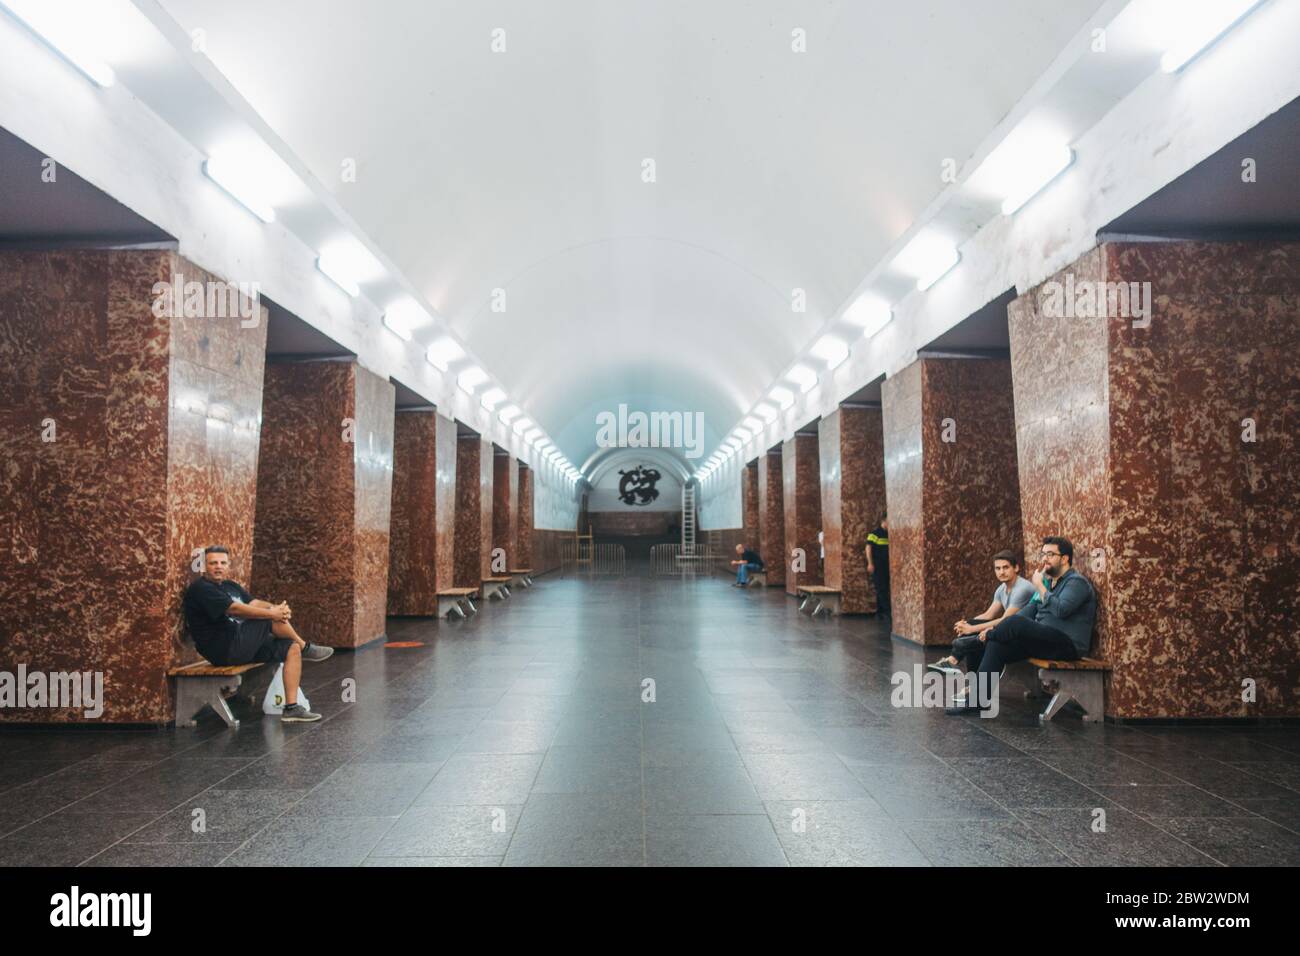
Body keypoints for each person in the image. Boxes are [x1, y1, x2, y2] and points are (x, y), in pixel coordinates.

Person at [947, 536, 1097, 715]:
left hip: (1067, 645)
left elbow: (1061, 610)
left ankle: (976, 642)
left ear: (1064, 559)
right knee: (998, 643)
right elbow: (1028, 611)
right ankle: (977, 702)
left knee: (1014, 622)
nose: (1044, 559)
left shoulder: (1076, 582)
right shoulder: (1049, 583)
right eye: (1043, 554)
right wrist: (994, 630)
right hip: (1042, 641)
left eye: (1050, 554)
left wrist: (1040, 586)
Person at [183, 545, 334, 722]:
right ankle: (306, 647)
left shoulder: (230, 586)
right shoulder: (201, 588)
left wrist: (278, 609)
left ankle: (292, 708)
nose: (218, 566)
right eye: (213, 563)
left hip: (241, 644)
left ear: (228, 565)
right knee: (269, 619)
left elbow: (254, 603)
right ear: (204, 566)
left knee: (290, 648)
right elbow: (235, 609)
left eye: (223, 563)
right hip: (223, 649)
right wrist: (273, 614)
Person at [928, 550, 1034, 676]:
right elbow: (988, 615)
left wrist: (972, 628)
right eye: (998, 568)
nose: (1001, 572)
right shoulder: (1002, 589)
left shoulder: (1023, 589)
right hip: (1008, 630)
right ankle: (969, 676)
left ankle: (955, 662)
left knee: (974, 637)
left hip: (1023, 635)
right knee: (973, 635)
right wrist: (966, 624)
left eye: (1006, 567)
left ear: (1016, 568)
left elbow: (1006, 619)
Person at [865, 514, 890, 617]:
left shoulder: (889, 534)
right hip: (878, 564)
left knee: (885, 587)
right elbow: (868, 548)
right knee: (880, 587)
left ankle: (880, 612)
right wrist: (870, 563)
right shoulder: (875, 534)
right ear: (883, 521)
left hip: (887, 565)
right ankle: (887, 611)